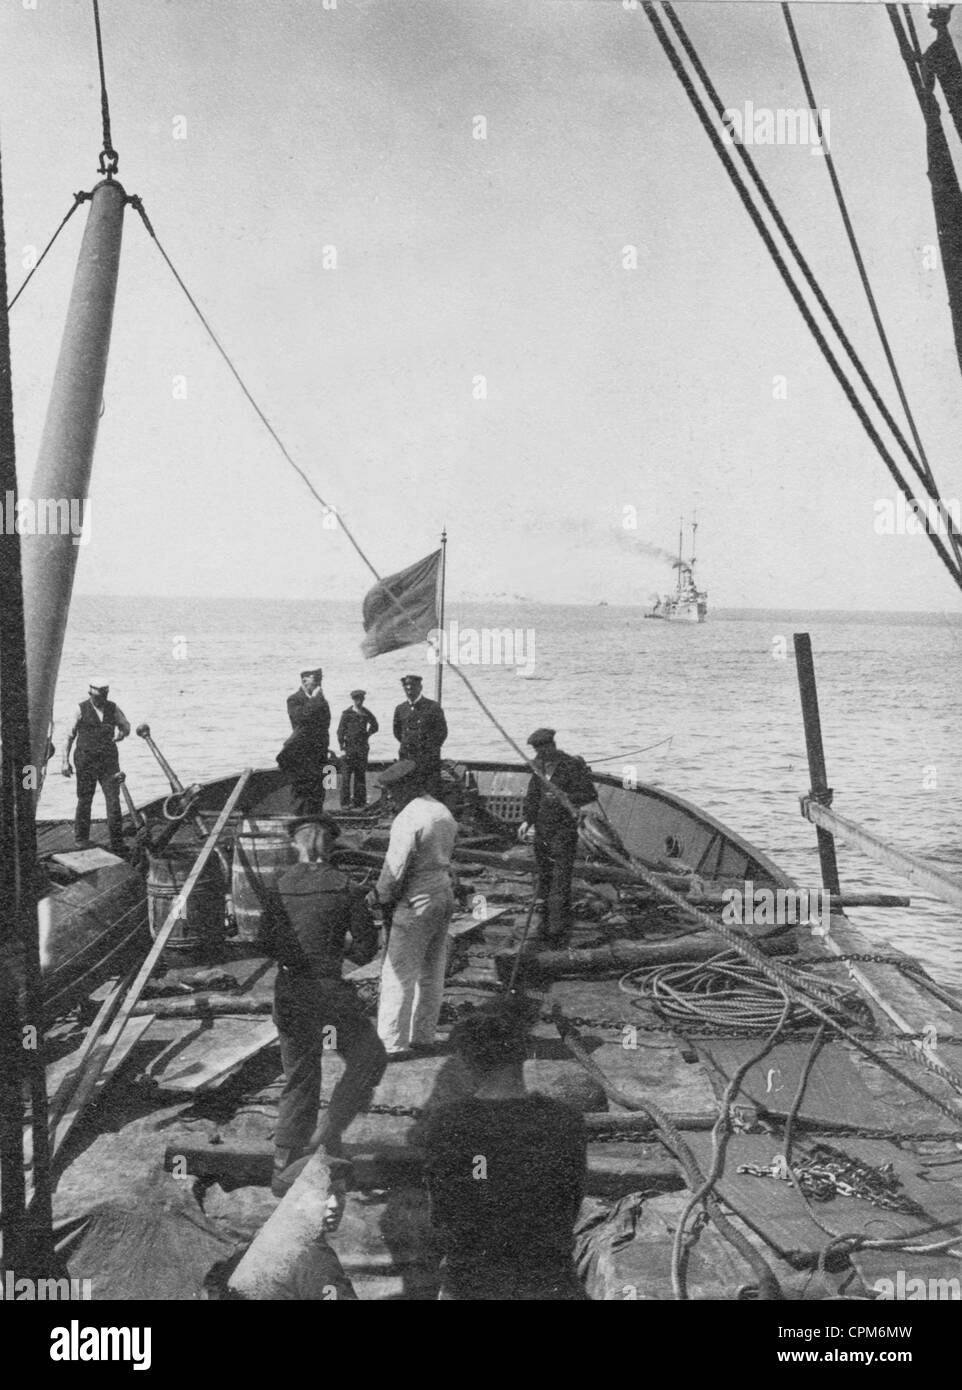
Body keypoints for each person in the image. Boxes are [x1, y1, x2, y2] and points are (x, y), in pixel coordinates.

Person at [420, 998, 589, 1301]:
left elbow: (441, 1210)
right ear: (525, 1053)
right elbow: (571, 1203)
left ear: (466, 1059)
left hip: (473, 1277)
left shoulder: (448, 1121)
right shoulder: (565, 1119)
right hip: (546, 1275)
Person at [266, 815, 387, 1197]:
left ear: (295, 846)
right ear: (331, 847)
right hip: (330, 996)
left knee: (300, 1076)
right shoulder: (347, 887)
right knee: (369, 1058)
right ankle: (326, 1135)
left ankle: (283, 1166)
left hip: (290, 993)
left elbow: (265, 943)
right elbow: (367, 949)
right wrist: (339, 947)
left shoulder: (278, 886)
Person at [370, 759, 456, 1059]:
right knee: (432, 971)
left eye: (392, 791)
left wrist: (379, 897)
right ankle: (423, 1035)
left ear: (406, 787)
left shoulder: (408, 818)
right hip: (443, 894)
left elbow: (394, 869)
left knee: (398, 972)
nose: (389, 797)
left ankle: (391, 1043)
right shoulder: (442, 811)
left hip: (416, 901)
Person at [517, 728, 600, 946]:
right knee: (543, 877)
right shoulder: (537, 767)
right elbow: (533, 796)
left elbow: (590, 794)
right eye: (536, 750)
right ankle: (543, 924)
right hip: (542, 831)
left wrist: (566, 796)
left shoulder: (571, 766)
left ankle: (556, 932)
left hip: (563, 831)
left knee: (560, 881)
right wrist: (528, 821)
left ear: (551, 746)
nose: (538, 754)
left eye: (541, 749)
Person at [61, 680, 131, 853]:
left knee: (113, 801)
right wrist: (65, 761)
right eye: (98, 697)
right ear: (91, 695)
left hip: (108, 761)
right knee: (85, 799)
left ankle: (117, 842)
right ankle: (81, 839)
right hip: (85, 761)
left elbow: (126, 726)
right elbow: (68, 737)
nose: (101, 700)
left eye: (104, 696)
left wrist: (121, 734)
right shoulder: (80, 709)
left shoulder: (113, 708)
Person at [279, 667, 332, 815]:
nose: (319, 686)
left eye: (320, 682)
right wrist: (315, 700)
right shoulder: (294, 699)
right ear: (304, 681)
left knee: (317, 793)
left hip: (318, 754)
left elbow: (325, 726)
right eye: (316, 682)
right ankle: (299, 825)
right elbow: (300, 719)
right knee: (301, 793)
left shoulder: (321, 701)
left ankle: (314, 821)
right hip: (301, 756)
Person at [392, 674, 447, 793]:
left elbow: (441, 733)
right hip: (407, 758)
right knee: (408, 792)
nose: (409, 691)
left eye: (412, 687)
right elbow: (397, 732)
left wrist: (428, 750)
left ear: (420, 688)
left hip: (427, 760)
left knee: (429, 793)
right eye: (406, 688)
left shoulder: (432, 707)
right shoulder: (400, 709)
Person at [336, 689, 378, 809]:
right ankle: (345, 803)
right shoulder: (347, 714)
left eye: (361, 699)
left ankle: (359, 801)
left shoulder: (365, 713)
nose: (359, 701)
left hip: (362, 749)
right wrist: (341, 746)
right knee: (346, 777)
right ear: (353, 700)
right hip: (348, 749)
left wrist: (368, 734)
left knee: (360, 776)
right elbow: (340, 731)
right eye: (356, 699)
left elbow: (375, 725)